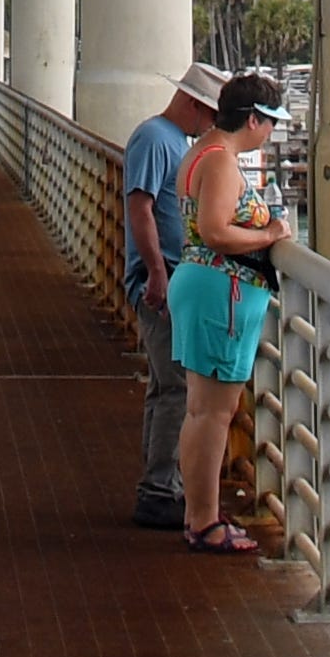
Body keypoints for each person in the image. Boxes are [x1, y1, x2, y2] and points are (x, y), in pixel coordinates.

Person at [169, 69, 287, 555]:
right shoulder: (221, 161)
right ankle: (202, 521)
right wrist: (269, 234)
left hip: (208, 288)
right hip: (225, 293)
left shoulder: (203, 152)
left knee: (203, 411)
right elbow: (216, 231)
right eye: (271, 122)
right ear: (254, 120)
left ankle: (198, 516)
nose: (272, 132)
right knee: (212, 415)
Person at [116, 70, 214, 527]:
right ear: (194, 105)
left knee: (164, 388)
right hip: (164, 284)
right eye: (210, 115)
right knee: (176, 388)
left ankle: (160, 486)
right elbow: (141, 207)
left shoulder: (167, 139)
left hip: (169, 280)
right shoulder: (157, 139)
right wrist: (156, 273)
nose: (211, 126)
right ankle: (160, 490)